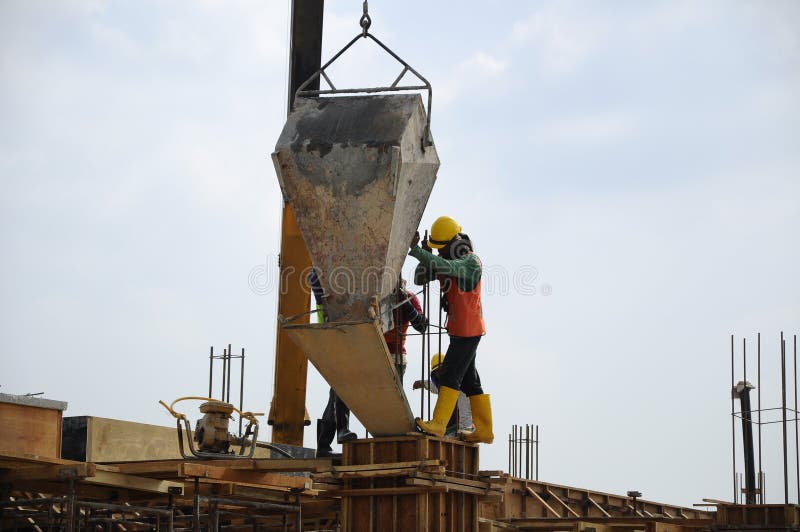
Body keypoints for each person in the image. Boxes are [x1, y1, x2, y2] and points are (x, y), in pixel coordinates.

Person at [407, 215, 493, 444]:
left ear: (452, 244)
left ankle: (438, 424)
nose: (439, 253)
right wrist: (427, 256)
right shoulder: (443, 260)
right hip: (459, 330)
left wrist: (418, 251)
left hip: (468, 330)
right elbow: (419, 278)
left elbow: (446, 266)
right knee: (469, 381)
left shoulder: (469, 262)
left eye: (440, 248)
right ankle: (484, 430)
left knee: (450, 375)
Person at [309, 269, 357, 458]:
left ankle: (323, 445)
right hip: (332, 335)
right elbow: (314, 278)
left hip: (334, 334)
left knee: (335, 393)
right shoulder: (322, 273)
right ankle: (342, 429)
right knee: (342, 387)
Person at [412, 352, 474, 436]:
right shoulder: (444, 385)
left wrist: (465, 429)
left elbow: (466, 410)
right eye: (436, 372)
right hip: (451, 427)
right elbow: (434, 386)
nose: (439, 374)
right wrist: (422, 383)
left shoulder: (460, 387)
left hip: (460, 427)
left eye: (441, 370)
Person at [384, 280, 428, 383]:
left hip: (395, 356)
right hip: (372, 353)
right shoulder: (374, 296)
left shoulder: (408, 297)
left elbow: (422, 327)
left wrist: (406, 303)